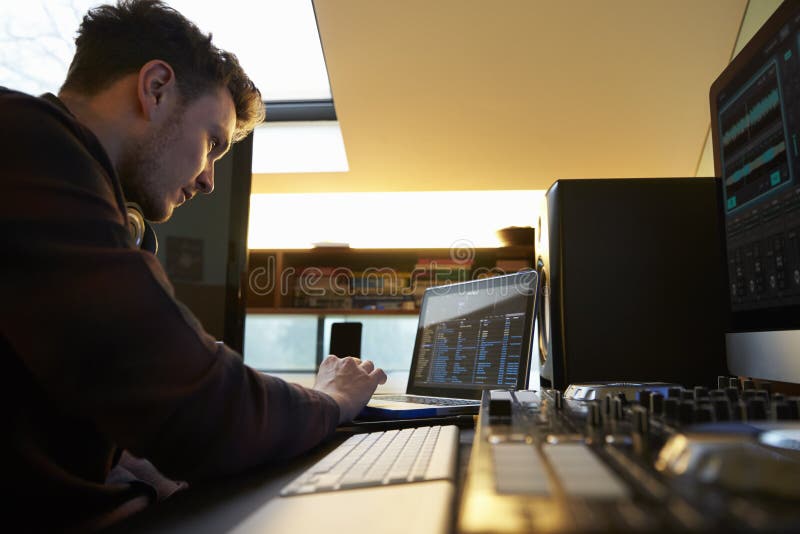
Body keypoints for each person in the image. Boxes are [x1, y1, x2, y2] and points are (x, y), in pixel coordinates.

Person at [0, 0, 386, 530]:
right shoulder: (29, 143)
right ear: (156, 87)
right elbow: (199, 404)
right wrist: (332, 399)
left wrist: (126, 463)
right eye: (212, 143)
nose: (208, 180)